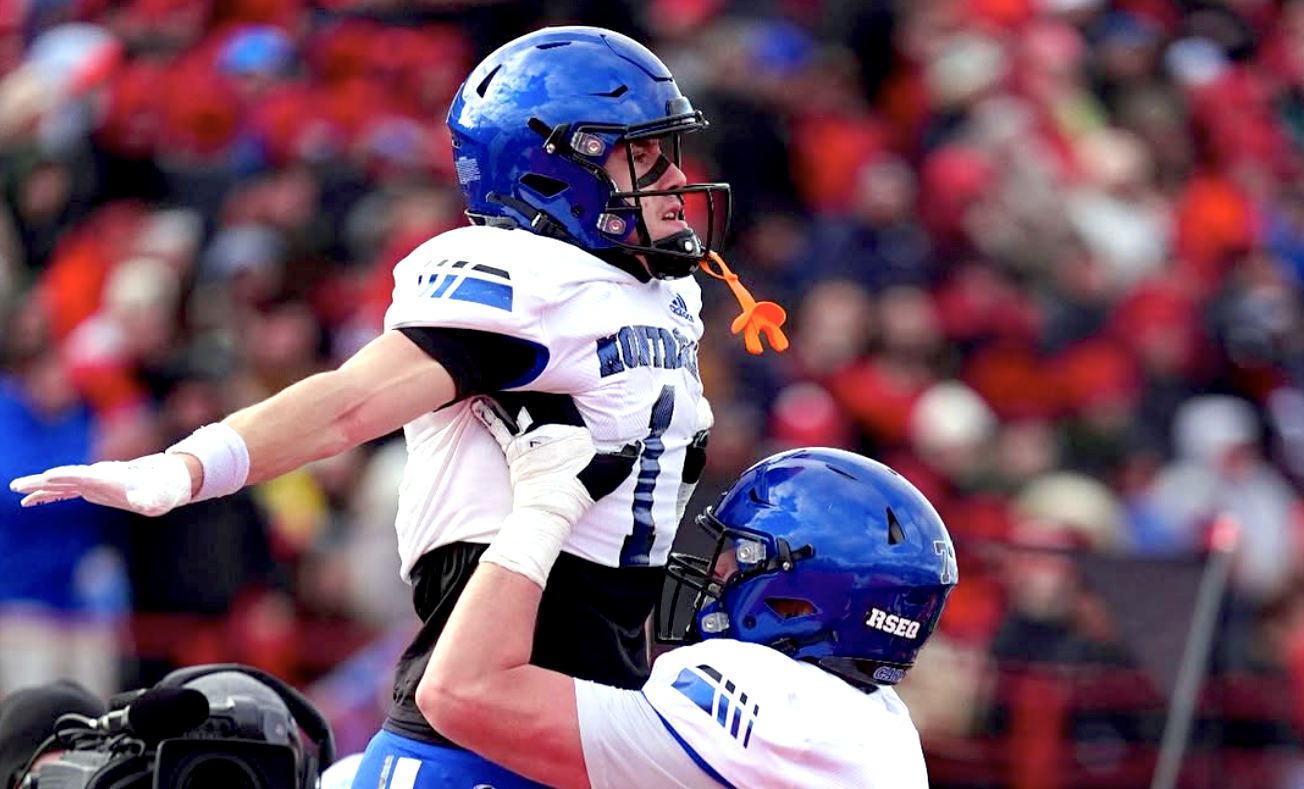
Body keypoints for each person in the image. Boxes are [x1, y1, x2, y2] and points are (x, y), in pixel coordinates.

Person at [10, 25, 783, 789]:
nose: (674, 179)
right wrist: (187, 466)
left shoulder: (668, 300)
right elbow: (349, 402)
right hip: (479, 722)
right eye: (641, 154)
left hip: (591, 705)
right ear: (556, 169)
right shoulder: (530, 280)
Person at [418, 400, 959, 789]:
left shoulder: (768, 702)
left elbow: (458, 693)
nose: (718, 570)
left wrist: (544, 508)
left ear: (803, 600)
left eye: (743, 557)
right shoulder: (876, 721)